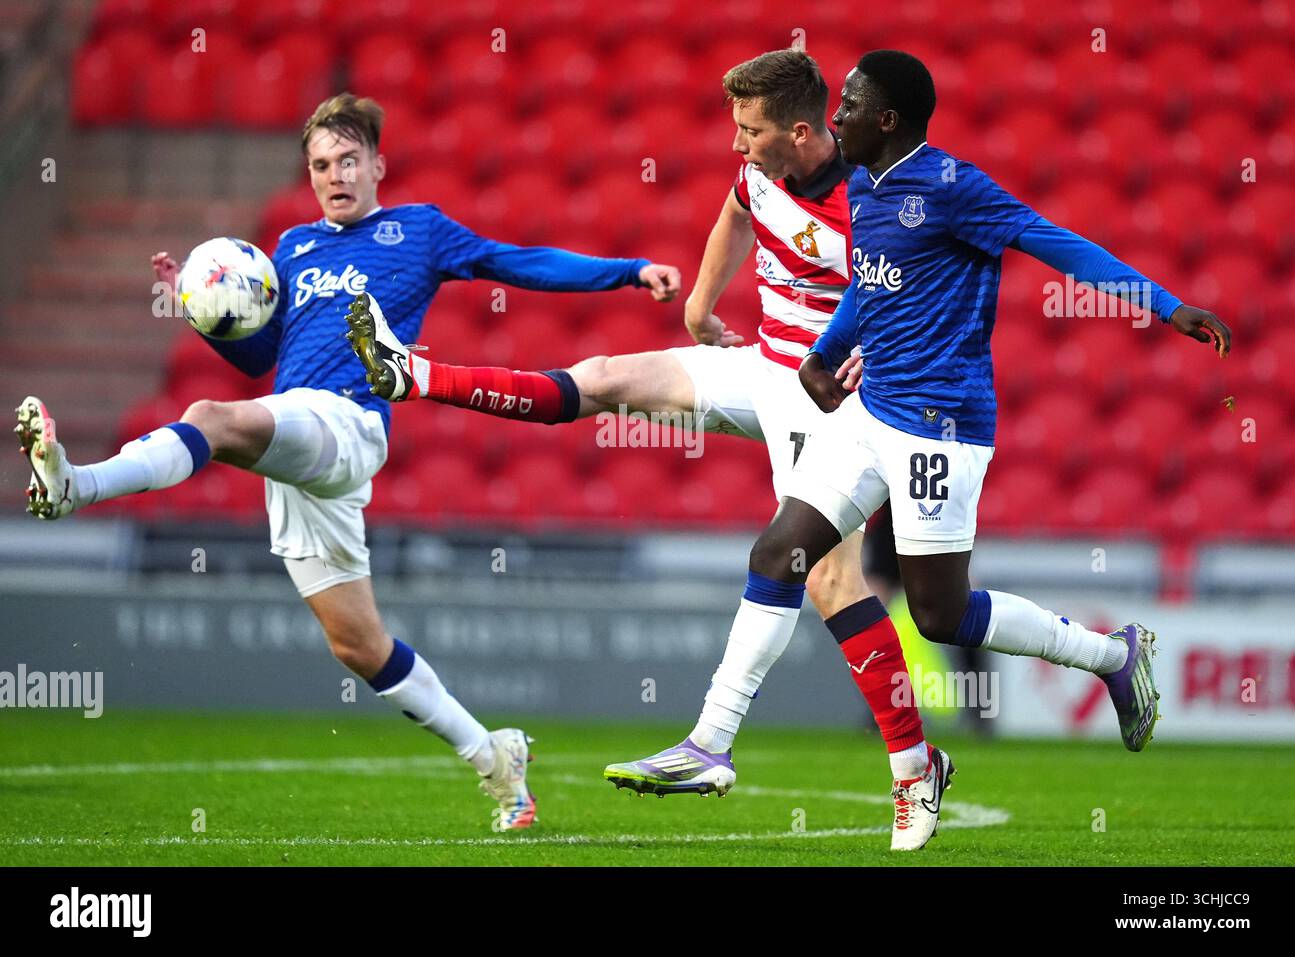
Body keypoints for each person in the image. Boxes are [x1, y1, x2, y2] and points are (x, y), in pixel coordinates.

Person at [16, 92, 682, 832]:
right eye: (320, 165)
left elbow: (517, 263)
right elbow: (263, 359)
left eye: (347, 161)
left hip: (350, 423)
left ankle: (77, 485)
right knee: (358, 644)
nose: (334, 175)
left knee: (206, 418)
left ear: (376, 164)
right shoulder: (293, 250)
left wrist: (628, 269)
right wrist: (201, 312)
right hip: (296, 439)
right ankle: (496, 758)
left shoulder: (419, 231)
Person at [604, 48, 1231, 827]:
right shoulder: (864, 188)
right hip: (869, 417)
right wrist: (823, 358)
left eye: (852, 106)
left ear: (887, 119)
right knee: (778, 553)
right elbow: (873, 285)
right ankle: (710, 742)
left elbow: (1054, 242)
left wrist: (1164, 304)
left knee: (939, 612)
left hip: (941, 427)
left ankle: (1112, 654)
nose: (836, 119)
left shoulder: (953, 188)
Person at [345, 51, 949, 850]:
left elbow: (915, 301)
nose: (737, 144)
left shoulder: (867, 205)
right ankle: (417, 372)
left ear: (801, 132)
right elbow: (738, 208)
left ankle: (910, 767)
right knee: (599, 377)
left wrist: (875, 364)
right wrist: (703, 303)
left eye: (750, 130)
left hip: (830, 399)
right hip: (759, 366)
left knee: (832, 580)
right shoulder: (762, 172)